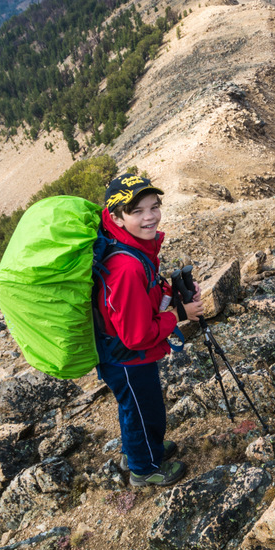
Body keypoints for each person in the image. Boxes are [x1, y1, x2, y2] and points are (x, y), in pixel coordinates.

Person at [95, 174, 203, 487]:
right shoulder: (126, 267)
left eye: (154, 207)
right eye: (138, 211)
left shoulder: (128, 245)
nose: (150, 217)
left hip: (117, 353)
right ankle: (144, 469)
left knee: (135, 408)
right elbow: (137, 335)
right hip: (127, 357)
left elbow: (141, 297)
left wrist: (171, 293)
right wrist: (179, 314)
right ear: (117, 216)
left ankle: (138, 452)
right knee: (146, 411)